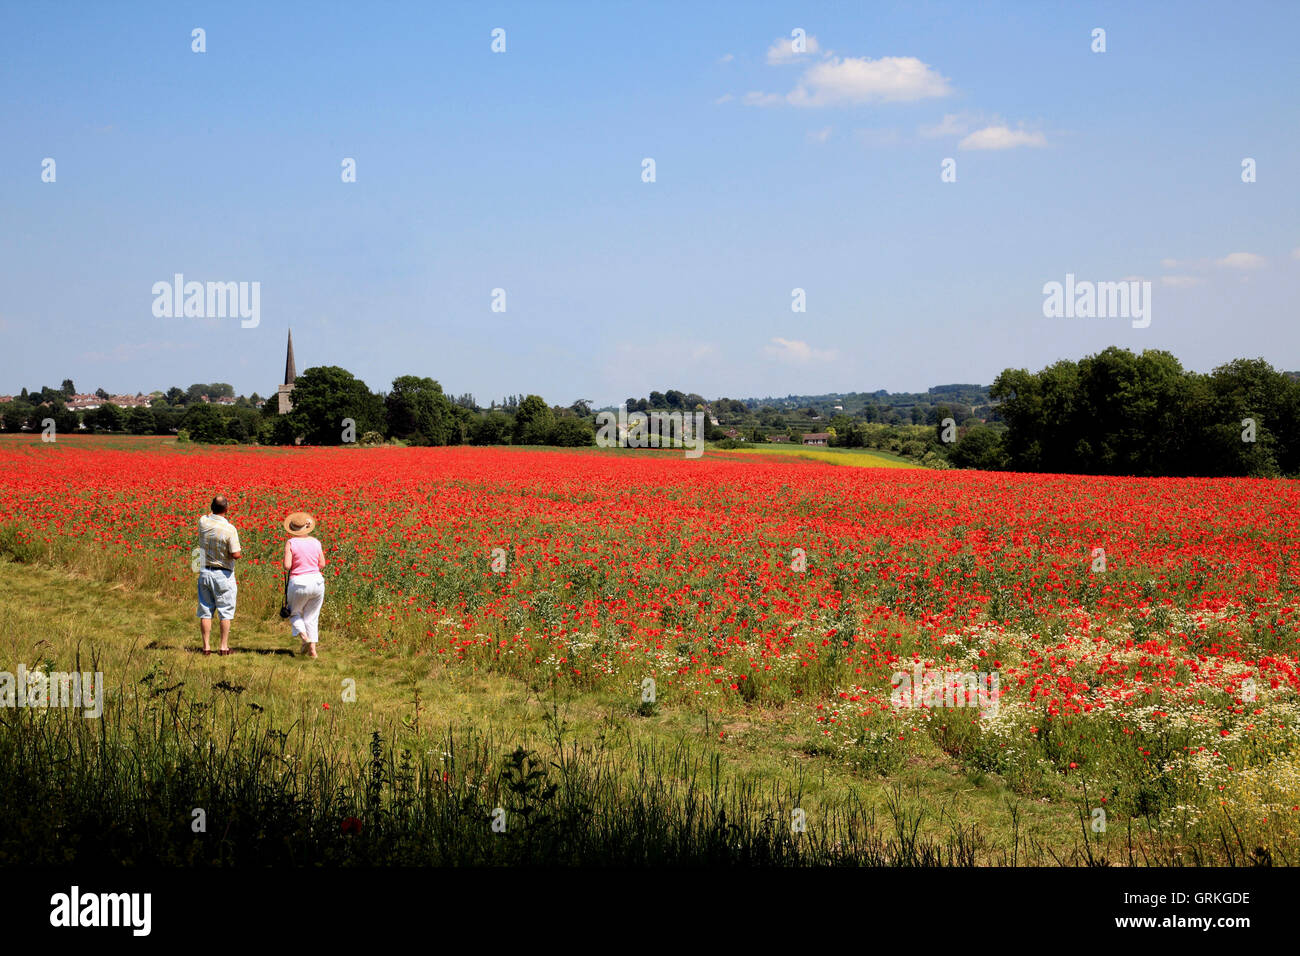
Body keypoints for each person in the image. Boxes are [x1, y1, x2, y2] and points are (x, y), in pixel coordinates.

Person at [197, 495, 242, 656]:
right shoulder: (230, 529)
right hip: (223, 574)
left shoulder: (203, 522)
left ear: (212, 508)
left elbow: (207, 514)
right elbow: (236, 554)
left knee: (205, 610)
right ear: (227, 510)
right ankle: (223, 647)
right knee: (225, 612)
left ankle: (206, 647)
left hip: (204, 572)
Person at [283, 511, 327, 658]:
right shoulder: (316, 542)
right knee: (312, 617)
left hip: (299, 583)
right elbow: (322, 564)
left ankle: (305, 638)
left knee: (294, 613)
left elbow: (287, 566)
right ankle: (312, 650)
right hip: (317, 582)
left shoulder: (291, 543)